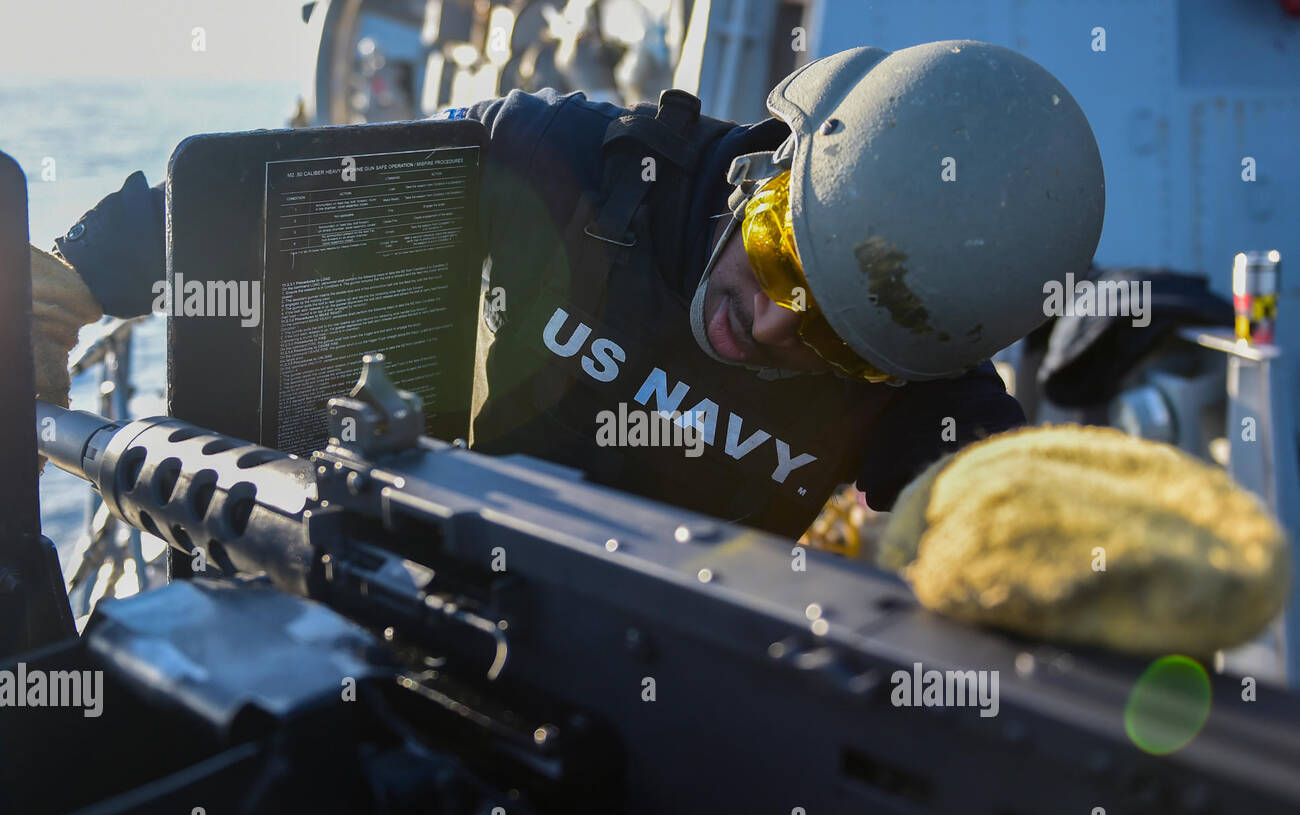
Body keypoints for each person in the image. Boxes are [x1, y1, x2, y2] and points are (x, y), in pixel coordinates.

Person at [30, 39, 1104, 538]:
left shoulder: (925, 382)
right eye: (778, 258)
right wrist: (71, 282)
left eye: (837, 341)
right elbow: (297, 193)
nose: (763, 325)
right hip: (440, 576)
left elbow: (1011, 509)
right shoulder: (580, 169)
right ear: (766, 166)